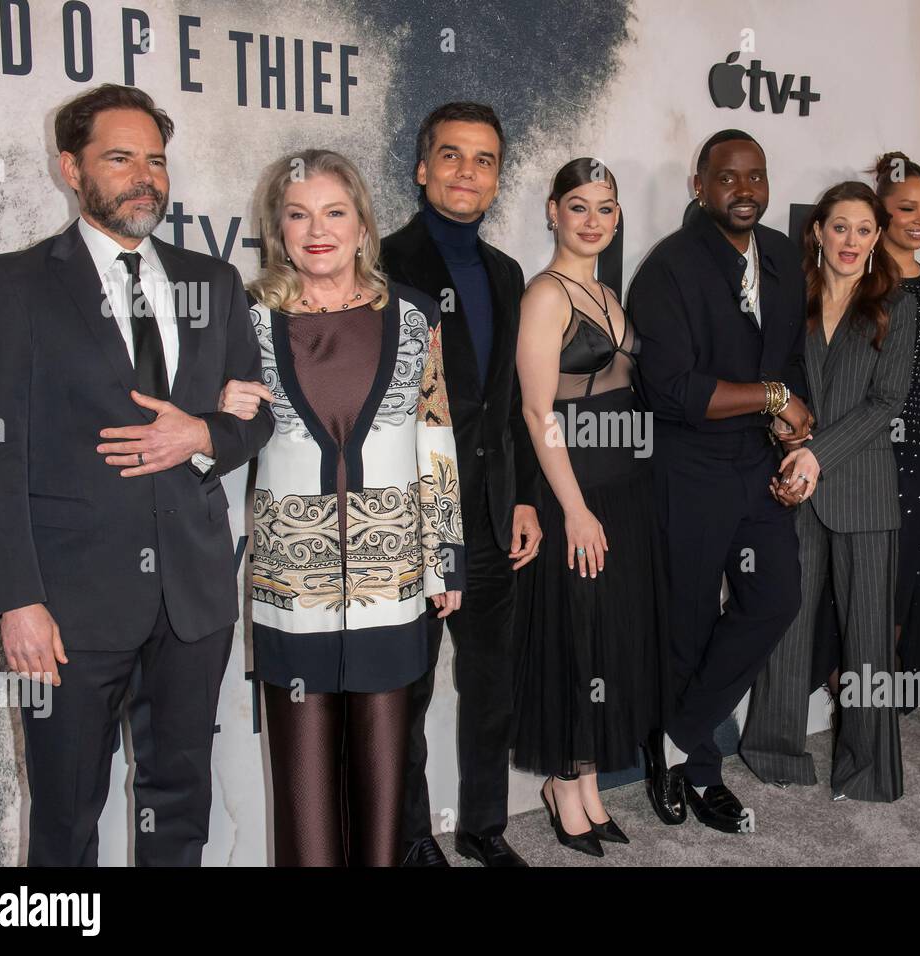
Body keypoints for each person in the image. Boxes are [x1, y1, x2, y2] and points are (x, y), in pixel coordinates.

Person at [0, 84, 273, 866]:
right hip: (67, 606)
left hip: (193, 598)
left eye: (156, 161)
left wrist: (204, 432)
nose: (145, 177)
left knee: (179, 805)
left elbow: (257, 416)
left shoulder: (215, 283)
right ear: (71, 168)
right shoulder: (13, 285)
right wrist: (18, 601)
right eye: (120, 157)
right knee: (64, 818)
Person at [218, 149, 463, 866]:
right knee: (304, 797)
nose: (316, 229)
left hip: (394, 585)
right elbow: (222, 436)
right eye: (298, 215)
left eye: (334, 212)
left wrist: (447, 558)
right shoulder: (248, 317)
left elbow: (436, 432)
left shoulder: (413, 314)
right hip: (293, 591)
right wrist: (218, 409)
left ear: (363, 226)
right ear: (278, 228)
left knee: (385, 786)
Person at [629, 129, 810, 834]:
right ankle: (699, 769)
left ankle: (672, 736)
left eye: (756, 177)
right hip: (689, 468)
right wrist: (770, 397)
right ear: (698, 185)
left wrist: (791, 432)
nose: (745, 191)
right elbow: (671, 389)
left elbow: (790, 357)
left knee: (775, 599)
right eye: (728, 178)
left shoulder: (784, 257)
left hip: (758, 466)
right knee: (690, 623)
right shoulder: (667, 269)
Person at [380, 102, 542, 867]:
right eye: (451, 156)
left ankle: (484, 827)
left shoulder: (508, 274)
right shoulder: (379, 265)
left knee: (489, 692)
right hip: (412, 520)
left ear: (497, 177)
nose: (466, 172)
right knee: (405, 697)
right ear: (422, 167)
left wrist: (522, 498)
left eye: (482, 160)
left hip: (489, 517)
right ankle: (413, 840)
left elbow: (507, 402)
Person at [511, 158, 667, 857]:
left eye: (606, 208)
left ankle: (590, 785)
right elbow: (537, 410)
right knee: (578, 636)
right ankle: (563, 786)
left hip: (626, 487)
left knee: (610, 637)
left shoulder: (608, 291)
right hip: (578, 487)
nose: (594, 221)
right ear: (552, 212)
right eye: (579, 207)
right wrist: (572, 508)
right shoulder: (545, 296)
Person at [741, 181, 916, 802]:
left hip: (863, 489)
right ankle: (773, 749)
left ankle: (868, 769)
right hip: (792, 482)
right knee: (786, 620)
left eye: (863, 229)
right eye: (839, 227)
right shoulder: (791, 295)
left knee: (869, 634)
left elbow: (886, 402)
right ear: (817, 231)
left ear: (877, 237)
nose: (851, 241)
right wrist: (783, 438)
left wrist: (817, 453)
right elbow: (766, 379)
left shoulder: (896, 304)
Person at [870, 152, 920, 683]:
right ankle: (854, 700)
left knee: (904, 577)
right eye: (906, 208)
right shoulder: (858, 278)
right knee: (858, 586)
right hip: (863, 448)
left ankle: (879, 704)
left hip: (915, 454)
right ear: (881, 212)